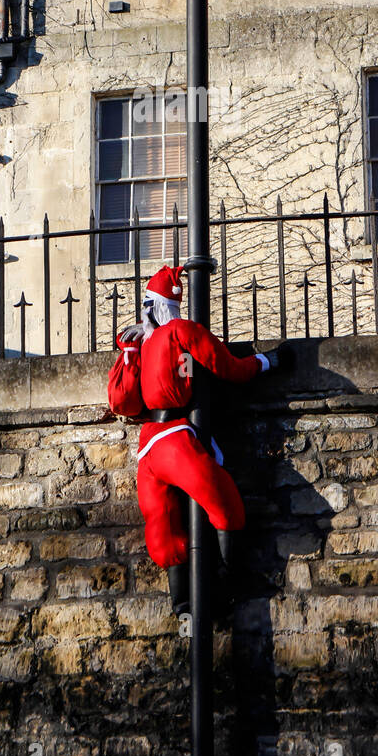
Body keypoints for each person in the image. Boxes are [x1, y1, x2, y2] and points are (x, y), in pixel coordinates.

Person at [111, 264, 290, 620]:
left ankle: (185, 611)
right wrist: (266, 362)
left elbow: (127, 404)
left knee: (165, 529)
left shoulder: (159, 341)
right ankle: (220, 593)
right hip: (172, 439)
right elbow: (229, 368)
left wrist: (138, 353)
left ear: (152, 305)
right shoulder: (176, 333)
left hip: (149, 447)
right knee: (220, 504)